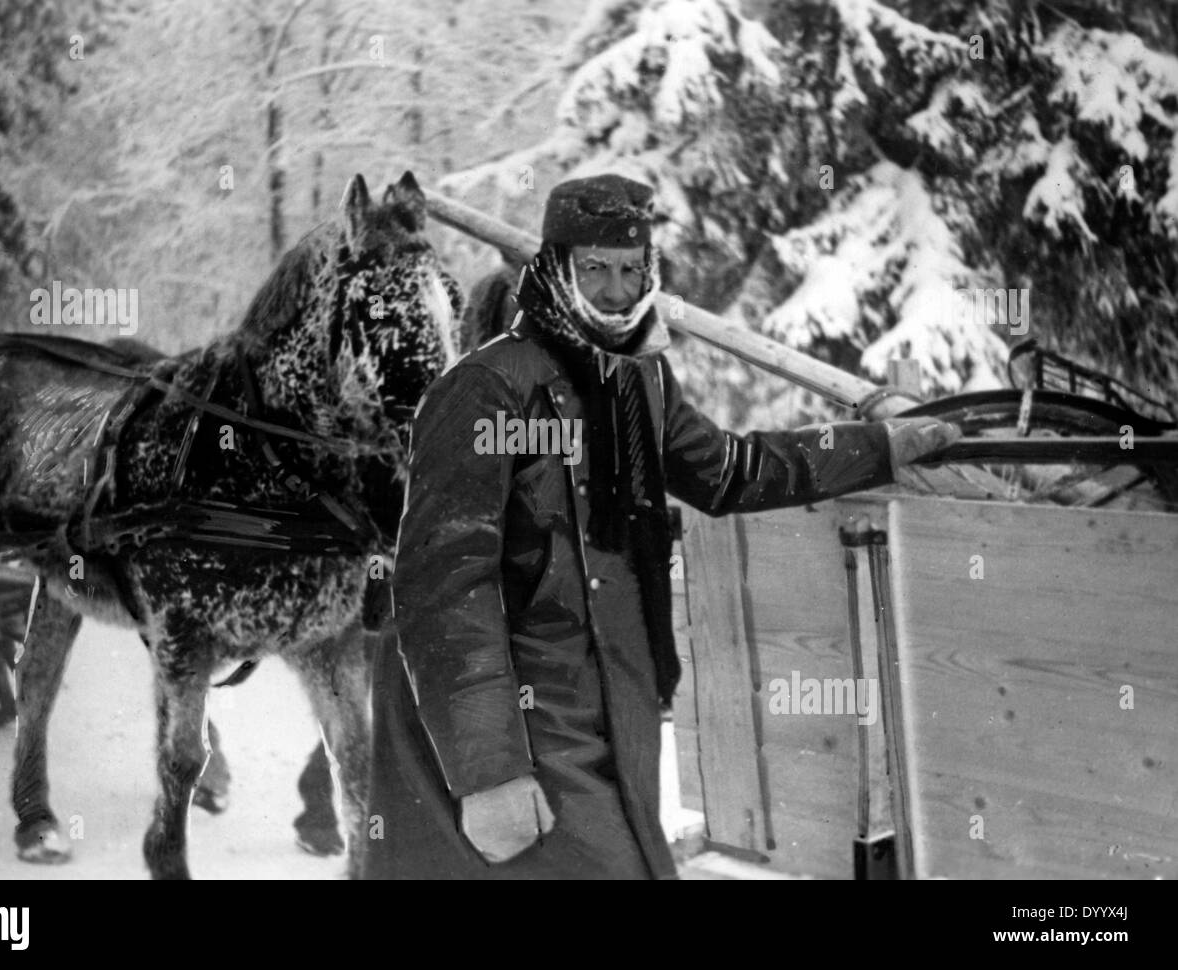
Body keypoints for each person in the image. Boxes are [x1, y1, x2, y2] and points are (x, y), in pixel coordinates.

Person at [362, 174, 960, 879]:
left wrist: (879, 447)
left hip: (612, 699)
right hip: (517, 712)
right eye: (595, 268)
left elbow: (730, 470)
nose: (616, 291)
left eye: (631, 269)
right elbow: (444, 581)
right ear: (556, 267)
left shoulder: (636, 379)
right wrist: (489, 772)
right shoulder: (488, 389)